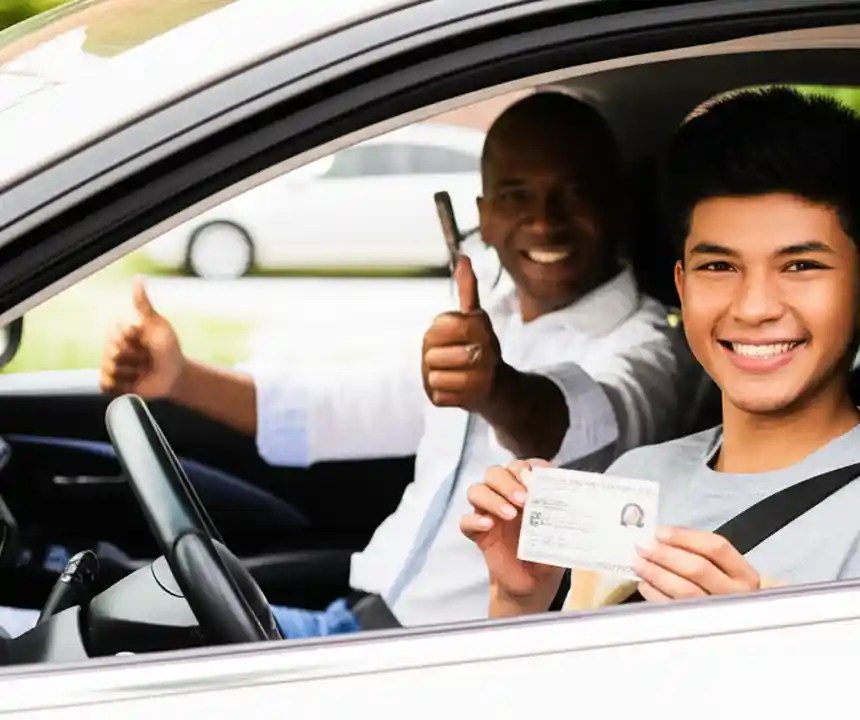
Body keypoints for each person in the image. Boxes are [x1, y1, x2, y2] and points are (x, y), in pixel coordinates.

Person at [90, 92, 696, 637]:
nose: (545, 220)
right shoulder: (495, 314)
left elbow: (576, 420)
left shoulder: (648, 349)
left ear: (617, 207)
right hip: (360, 623)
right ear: (484, 216)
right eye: (518, 197)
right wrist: (180, 379)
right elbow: (345, 408)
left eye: (575, 193)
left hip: (439, 663)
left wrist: (496, 389)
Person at [462, 88, 860, 617]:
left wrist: (757, 638)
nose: (755, 307)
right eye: (719, 266)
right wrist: (519, 599)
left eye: (801, 266)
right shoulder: (635, 482)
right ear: (682, 286)